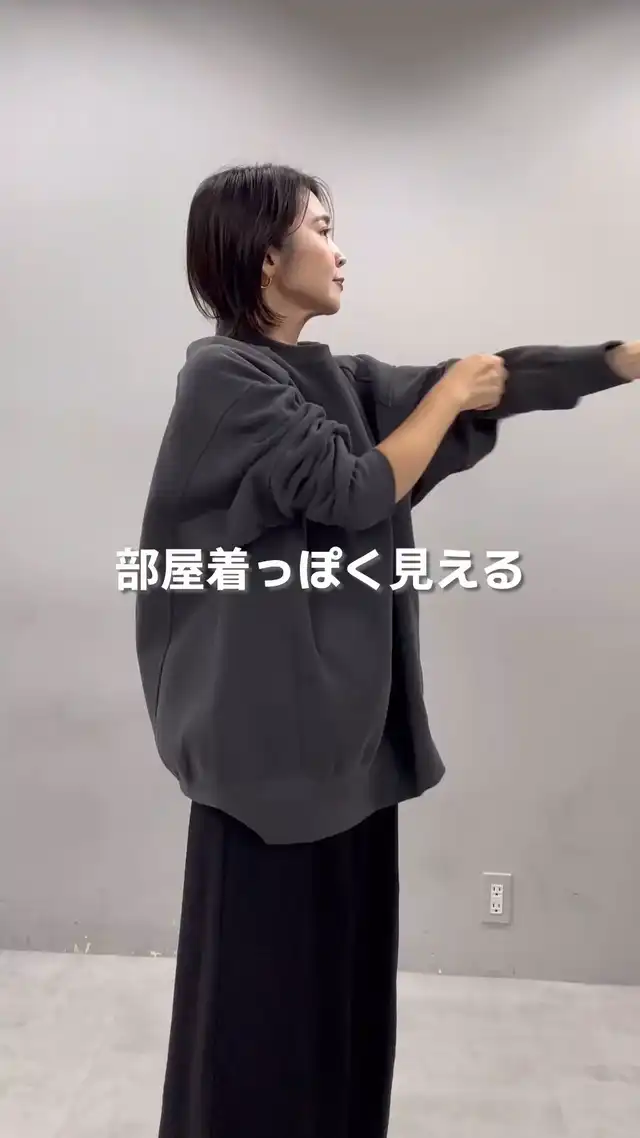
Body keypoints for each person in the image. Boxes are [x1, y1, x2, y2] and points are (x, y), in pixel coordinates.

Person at [135, 162, 639, 1138]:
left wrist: (617, 360)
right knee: (259, 1021)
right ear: (266, 255)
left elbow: (484, 378)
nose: (340, 249)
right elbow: (356, 488)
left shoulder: (339, 381)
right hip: (267, 764)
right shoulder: (223, 381)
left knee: (340, 1005)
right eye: (321, 228)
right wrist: (445, 399)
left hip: (347, 750)